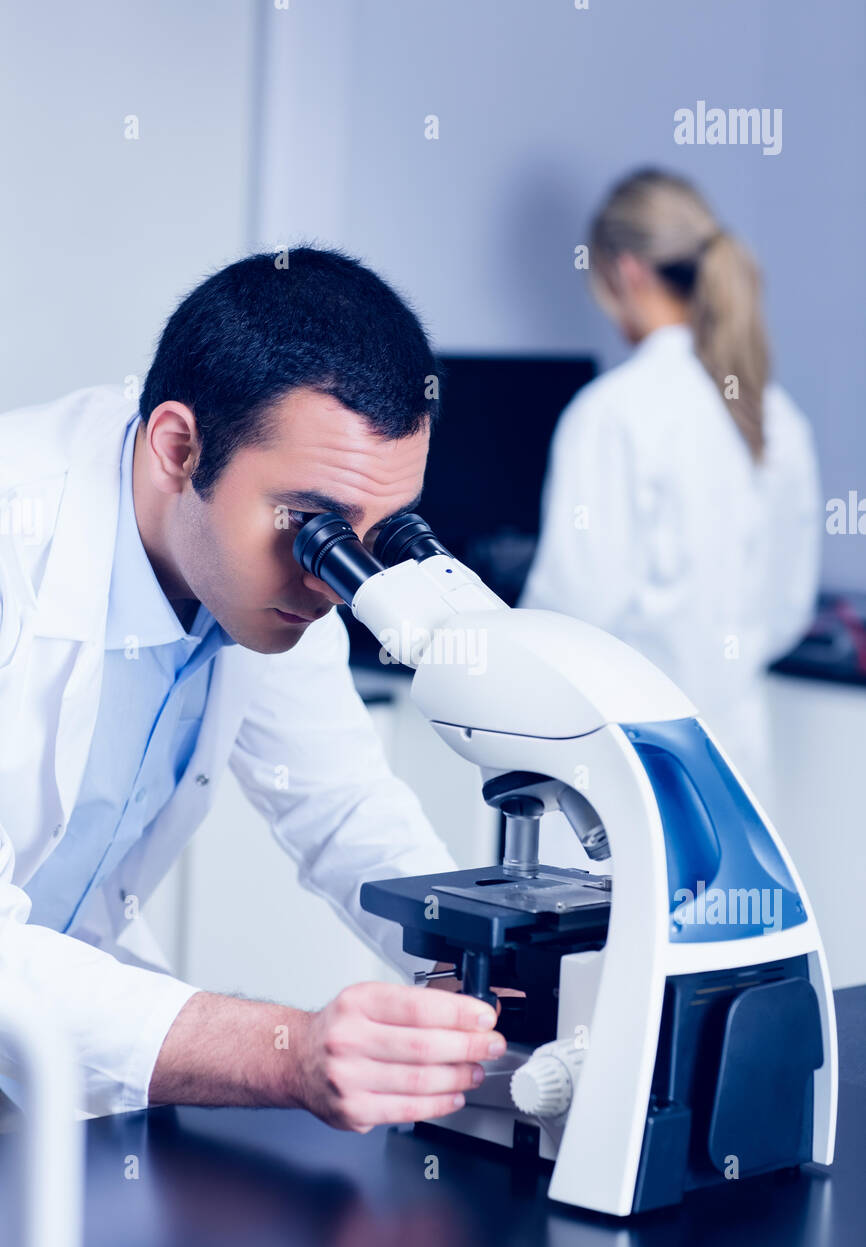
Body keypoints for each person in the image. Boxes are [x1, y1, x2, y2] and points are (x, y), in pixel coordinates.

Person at [0, 249, 506, 1124]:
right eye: (313, 530)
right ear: (179, 448)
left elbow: (344, 811)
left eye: (373, 538)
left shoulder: (259, 578)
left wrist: (483, 972)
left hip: (45, 1064)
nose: (332, 581)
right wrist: (287, 1054)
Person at [520, 169, 821, 806]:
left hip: (625, 759)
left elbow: (572, 610)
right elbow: (788, 605)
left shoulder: (612, 412)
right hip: (736, 757)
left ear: (625, 272)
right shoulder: (776, 414)